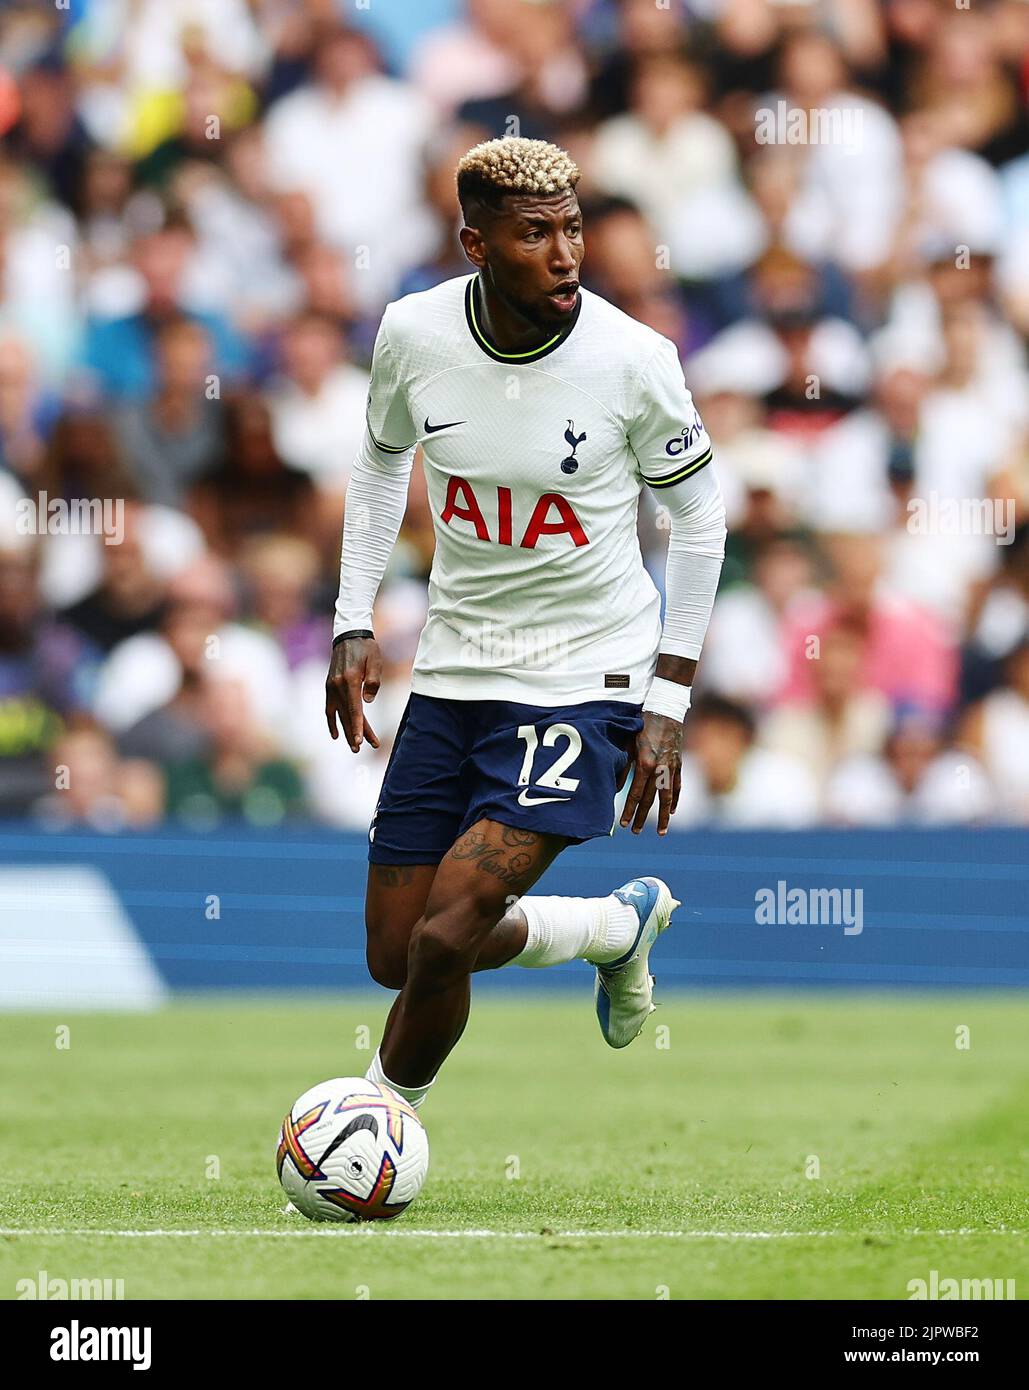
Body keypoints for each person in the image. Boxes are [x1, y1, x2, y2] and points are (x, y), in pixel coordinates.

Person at [324, 137, 726, 1115]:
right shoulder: (414, 336)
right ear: (475, 243)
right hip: (458, 672)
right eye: (534, 233)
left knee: (443, 936)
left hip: (587, 682)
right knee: (397, 949)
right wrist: (351, 620)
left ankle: (371, 1124)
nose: (565, 254)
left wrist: (667, 704)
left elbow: (700, 519)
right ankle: (606, 928)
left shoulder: (635, 361)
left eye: (573, 228)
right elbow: (381, 463)